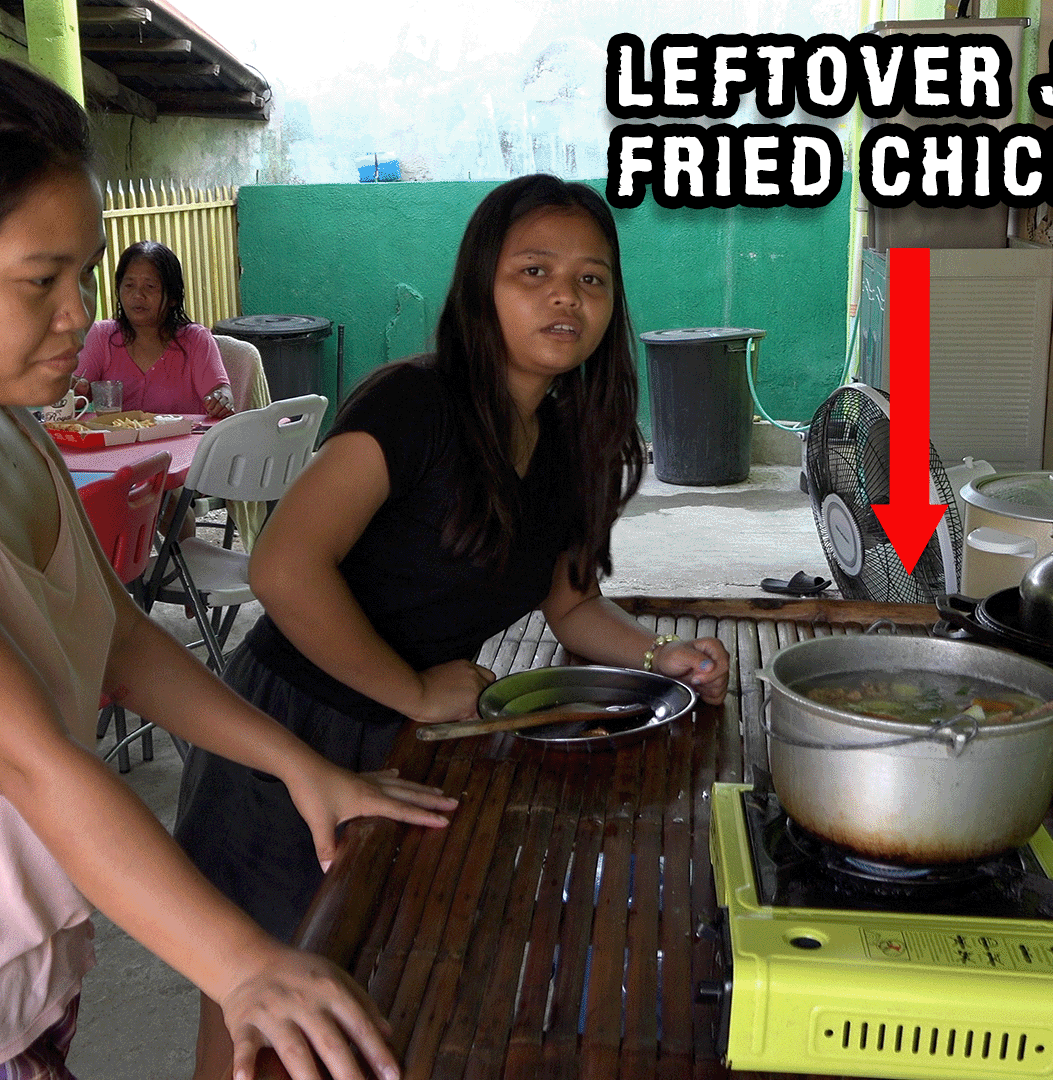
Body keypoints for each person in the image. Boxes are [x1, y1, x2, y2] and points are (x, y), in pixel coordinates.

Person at [0, 23, 455, 1080]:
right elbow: (35, 760)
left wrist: (301, 766)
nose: (83, 314)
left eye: (86, 272)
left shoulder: (6, 432)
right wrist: (241, 962)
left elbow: (117, 641)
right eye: (39, 282)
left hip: (27, 988)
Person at [172, 173, 732, 1078]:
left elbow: (572, 602)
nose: (566, 295)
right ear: (482, 287)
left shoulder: (568, 438)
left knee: (369, 990)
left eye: (592, 279)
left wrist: (662, 654)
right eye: (535, 271)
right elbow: (283, 568)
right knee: (257, 1026)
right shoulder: (414, 406)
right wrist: (414, 687)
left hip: (413, 739)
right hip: (287, 734)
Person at [69, 240, 239, 418]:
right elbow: (78, 394)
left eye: (150, 287)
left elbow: (220, 391)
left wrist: (221, 400)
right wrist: (74, 391)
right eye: (129, 285)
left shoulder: (195, 339)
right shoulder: (101, 336)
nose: (137, 295)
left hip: (184, 445)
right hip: (118, 445)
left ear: (173, 297)